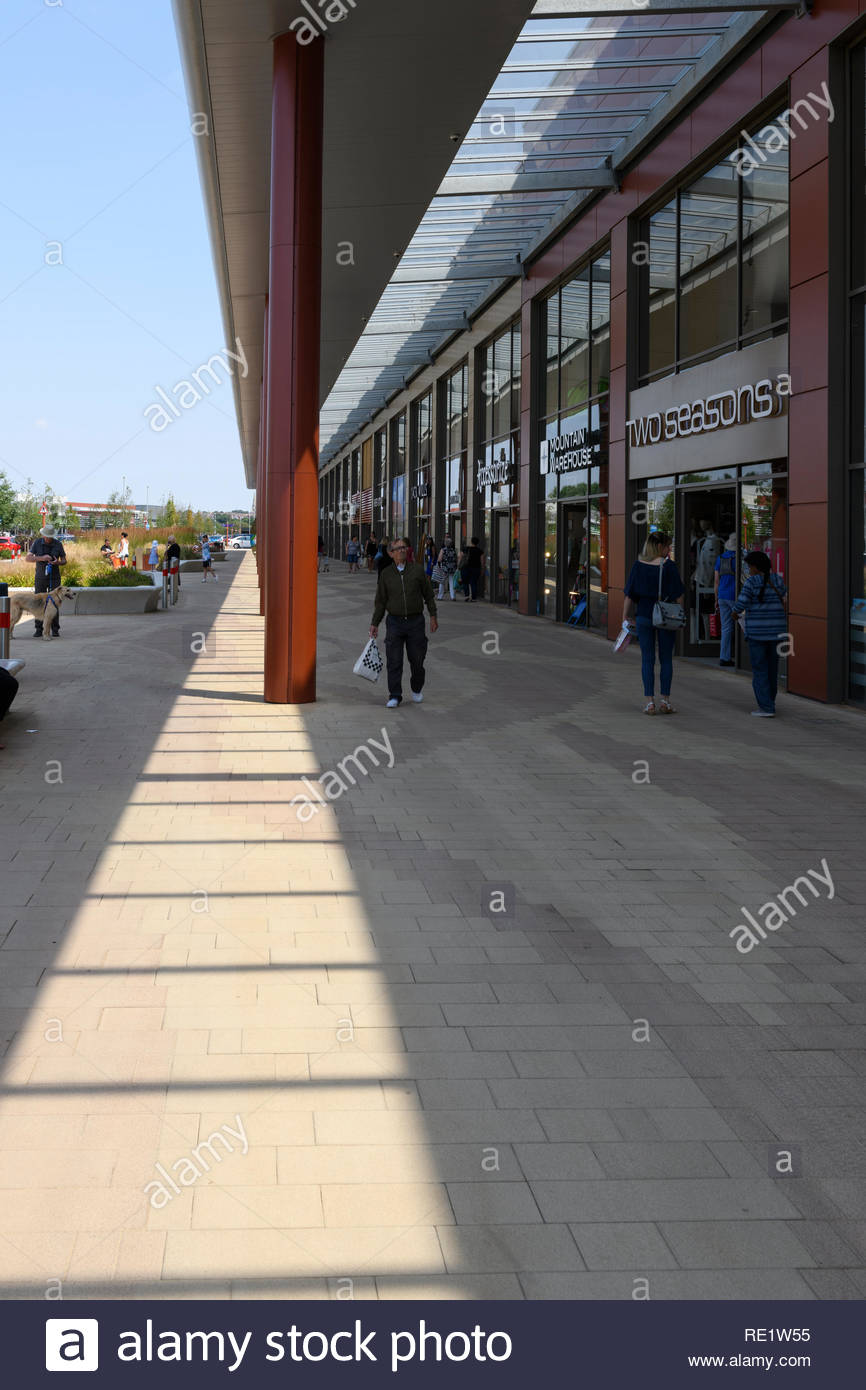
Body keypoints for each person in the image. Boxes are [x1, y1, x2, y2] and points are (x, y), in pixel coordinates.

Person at [370, 539, 438, 708]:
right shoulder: (386, 574)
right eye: (398, 548)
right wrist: (375, 623)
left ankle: (416, 688)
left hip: (416, 622)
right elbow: (381, 601)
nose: (401, 551)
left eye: (404, 548)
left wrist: (433, 615)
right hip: (394, 622)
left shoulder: (417, 570)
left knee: (417, 659)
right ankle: (394, 695)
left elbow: (428, 594)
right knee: (394, 660)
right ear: (390, 553)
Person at [622, 531, 685, 714]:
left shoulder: (638, 566)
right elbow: (679, 595)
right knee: (666, 659)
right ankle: (665, 700)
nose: (669, 549)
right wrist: (680, 613)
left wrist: (624, 616)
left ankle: (649, 702)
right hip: (666, 617)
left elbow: (629, 595)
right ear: (660, 547)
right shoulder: (669, 567)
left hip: (643, 616)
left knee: (647, 659)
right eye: (668, 546)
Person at [732, 552, 787, 717]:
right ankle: (770, 701)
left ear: (756, 566)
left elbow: (741, 603)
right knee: (772, 669)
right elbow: (784, 598)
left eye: (749, 566)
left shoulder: (751, 582)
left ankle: (766, 707)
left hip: (757, 632)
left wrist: (734, 613)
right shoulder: (778, 579)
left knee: (759, 669)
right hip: (777, 632)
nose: (749, 569)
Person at [25, 524, 67, 638]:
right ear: (43, 535)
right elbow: (27, 558)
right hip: (40, 577)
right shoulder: (37, 543)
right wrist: (41, 558)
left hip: (54, 577)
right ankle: (39, 629)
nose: (48, 538)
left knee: (55, 602)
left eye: (50, 537)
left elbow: (64, 560)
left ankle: (55, 629)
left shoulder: (58, 544)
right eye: (46, 536)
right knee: (38, 602)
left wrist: (57, 563)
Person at [714, 531, 739, 667]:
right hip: (735, 596)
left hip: (722, 595)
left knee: (726, 628)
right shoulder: (739, 558)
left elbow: (716, 580)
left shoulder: (720, 558)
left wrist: (716, 598)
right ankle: (746, 657)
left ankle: (724, 657)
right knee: (743, 625)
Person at [460, 535, 485, 602]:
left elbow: (460, 557)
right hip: (476, 568)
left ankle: (467, 596)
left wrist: (458, 565)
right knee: (473, 582)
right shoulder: (480, 551)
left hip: (465, 567)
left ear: (471, 542)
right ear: (478, 543)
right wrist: (482, 570)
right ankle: (473, 597)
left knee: (465, 582)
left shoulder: (466, 549)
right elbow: (482, 562)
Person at [434, 535, 458, 601]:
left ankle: (440, 596)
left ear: (445, 543)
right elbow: (456, 559)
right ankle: (453, 596)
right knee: (451, 582)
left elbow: (439, 559)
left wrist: (439, 565)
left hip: (444, 568)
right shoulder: (453, 550)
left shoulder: (443, 550)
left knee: (442, 582)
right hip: (452, 568)